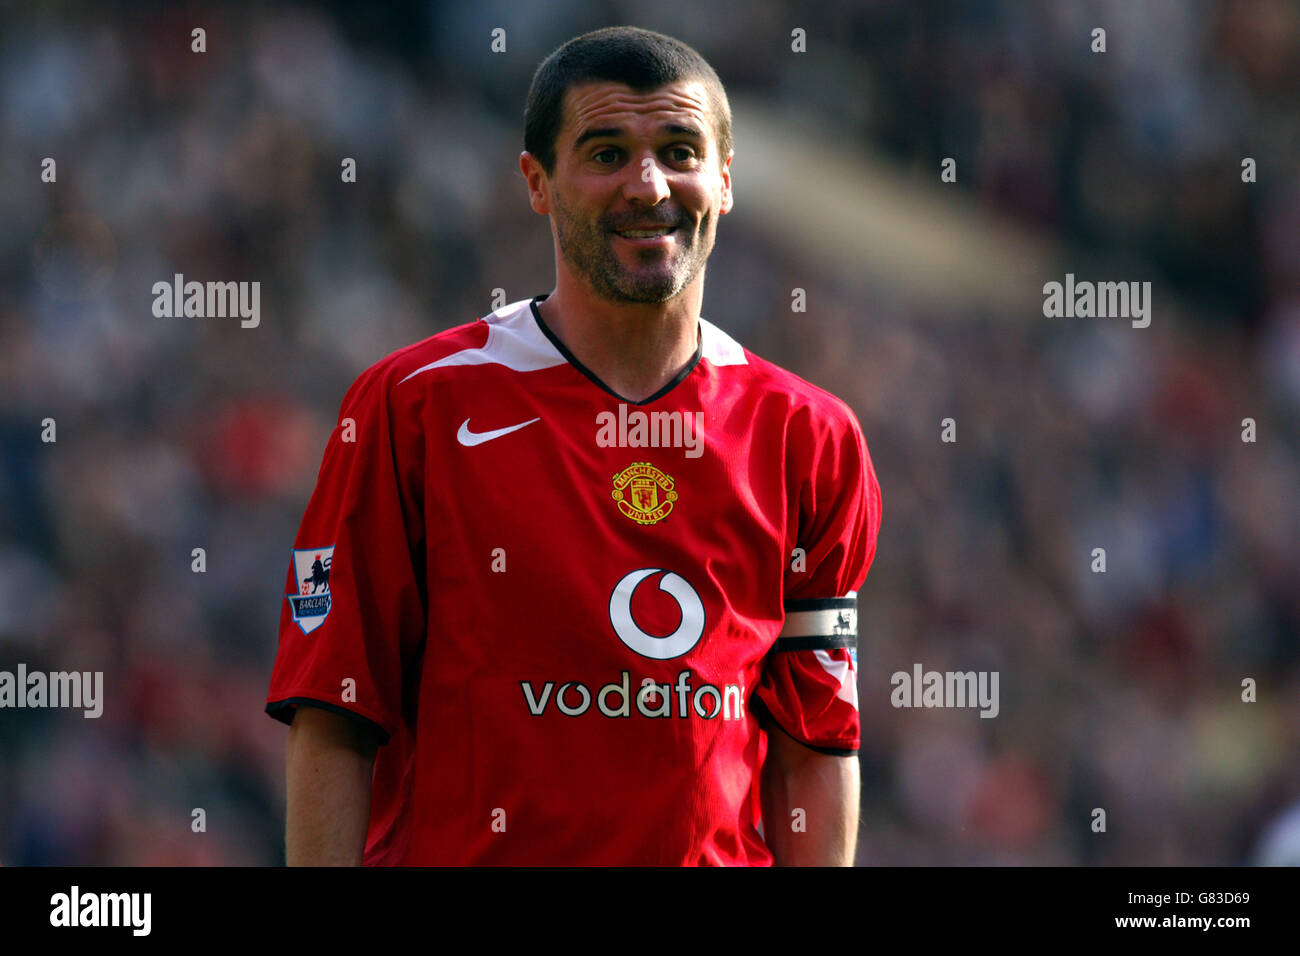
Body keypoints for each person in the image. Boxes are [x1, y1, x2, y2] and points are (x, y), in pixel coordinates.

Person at [265, 25, 882, 866]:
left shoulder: (808, 436)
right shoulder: (414, 407)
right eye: (605, 153)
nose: (648, 184)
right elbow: (336, 712)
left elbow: (815, 745)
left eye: (679, 149)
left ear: (726, 180)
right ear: (538, 183)